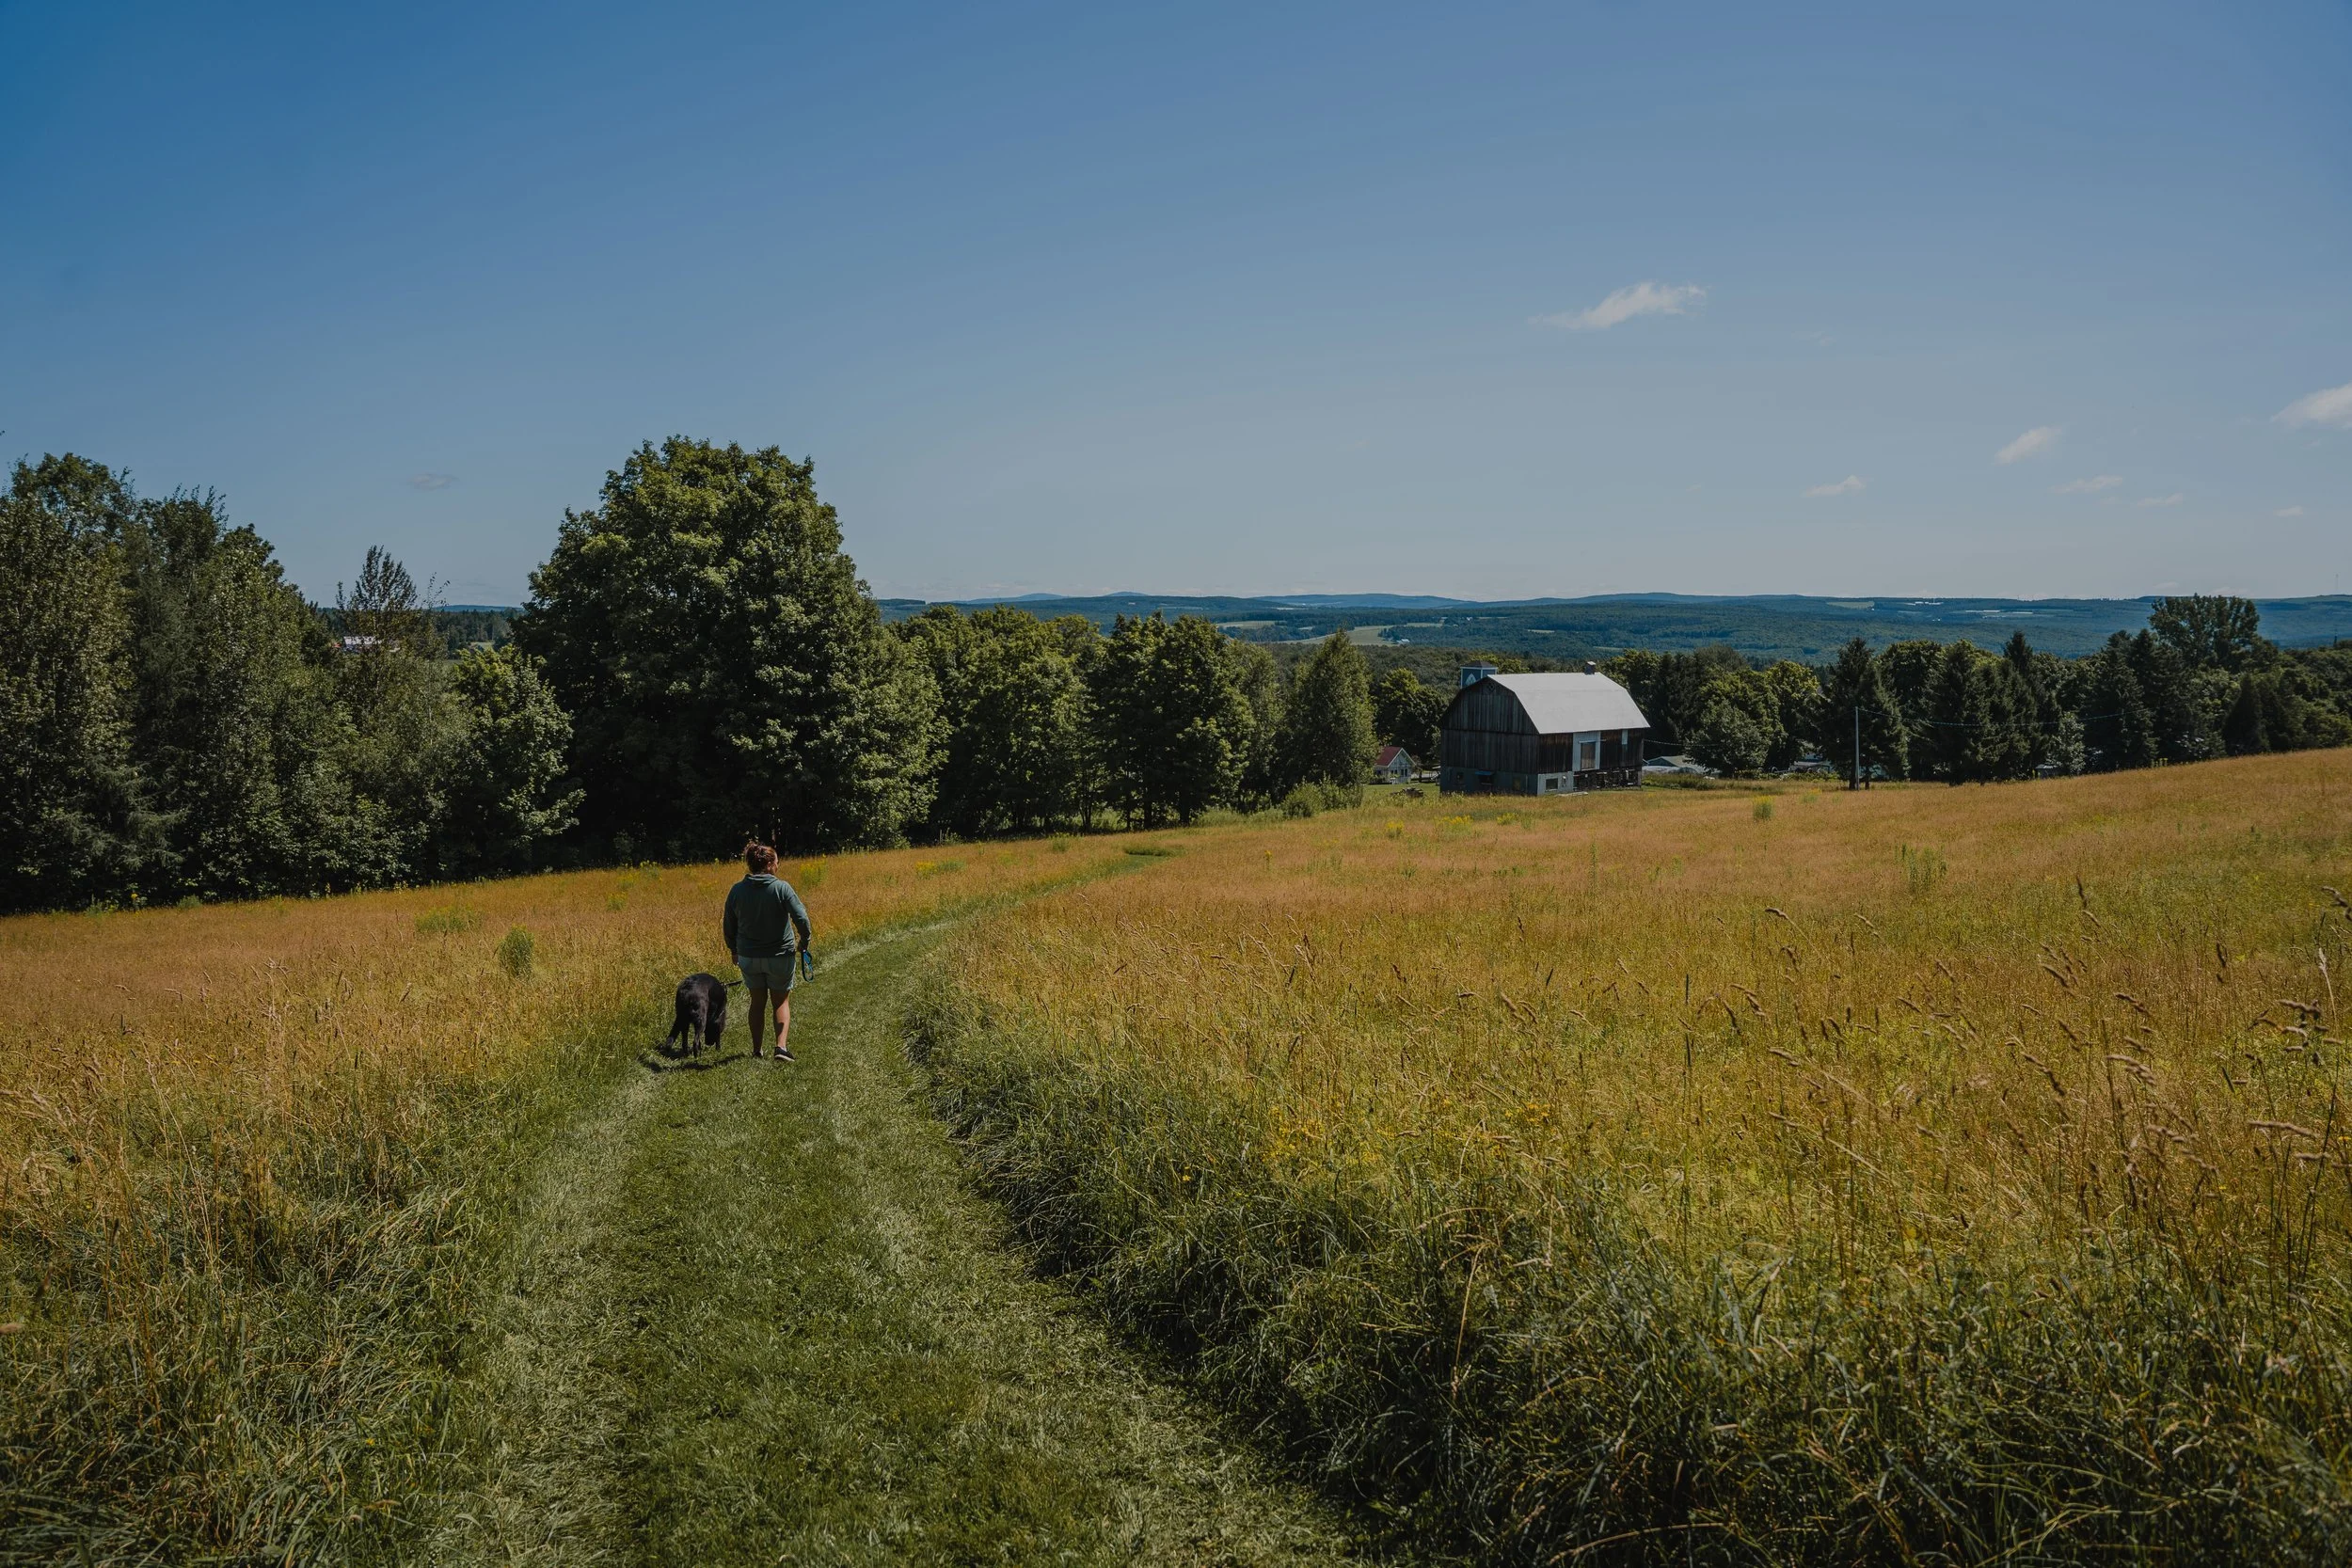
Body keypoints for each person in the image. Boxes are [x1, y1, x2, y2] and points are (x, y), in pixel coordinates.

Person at [723, 839, 812, 1062]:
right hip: (780, 956)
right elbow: (801, 918)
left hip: (748, 956)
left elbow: (728, 924)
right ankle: (780, 1047)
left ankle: (756, 1050)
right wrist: (805, 940)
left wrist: (733, 949)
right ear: (770, 864)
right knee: (780, 1001)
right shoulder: (782, 888)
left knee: (757, 1002)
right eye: (778, 862)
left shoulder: (736, 891)